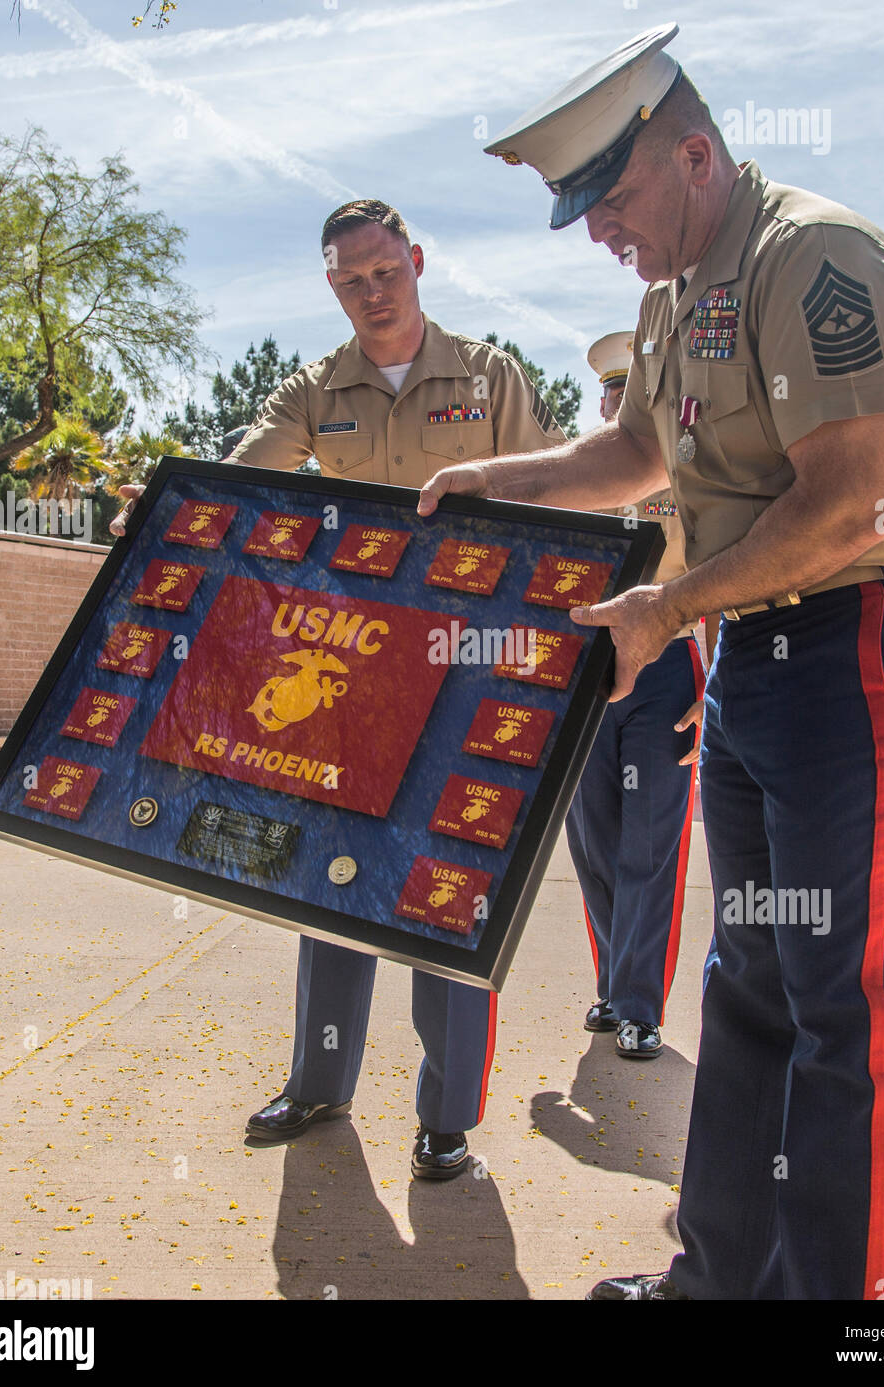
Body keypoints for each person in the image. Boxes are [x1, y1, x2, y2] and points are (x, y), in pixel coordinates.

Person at [419, 25, 884, 1298]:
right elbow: (625, 460)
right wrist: (488, 480)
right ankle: (720, 1282)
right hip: (759, 655)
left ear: (698, 155)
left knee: (851, 1016)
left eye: (612, 198)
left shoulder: (813, 256)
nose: (602, 233)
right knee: (752, 988)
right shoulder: (672, 298)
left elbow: (856, 501)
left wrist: (666, 608)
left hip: (858, 649)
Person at [112, 198, 565, 1180]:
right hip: (352, 676)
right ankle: (319, 1085)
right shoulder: (316, 390)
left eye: (386, 272)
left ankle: (446, 1122)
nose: (373, 293)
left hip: (466, 664)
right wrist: (170, 526)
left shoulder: (490, 377)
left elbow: (560, 493)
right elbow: (242, 475)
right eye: (352, 280)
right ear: (331, 285)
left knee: (445, 891)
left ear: (417, 261)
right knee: (330, 880)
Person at [566, 330, 708, 1058]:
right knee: (592, 837)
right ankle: (612, 986)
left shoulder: (694, 471)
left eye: (637, 392)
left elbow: (720, 579)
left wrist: (709, 683)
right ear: (603, 404)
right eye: (614, 394)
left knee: (650, 843)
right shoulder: (577, 473)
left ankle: (640, 1006)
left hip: (668, 668)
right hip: (588, 672)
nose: (623, 404)